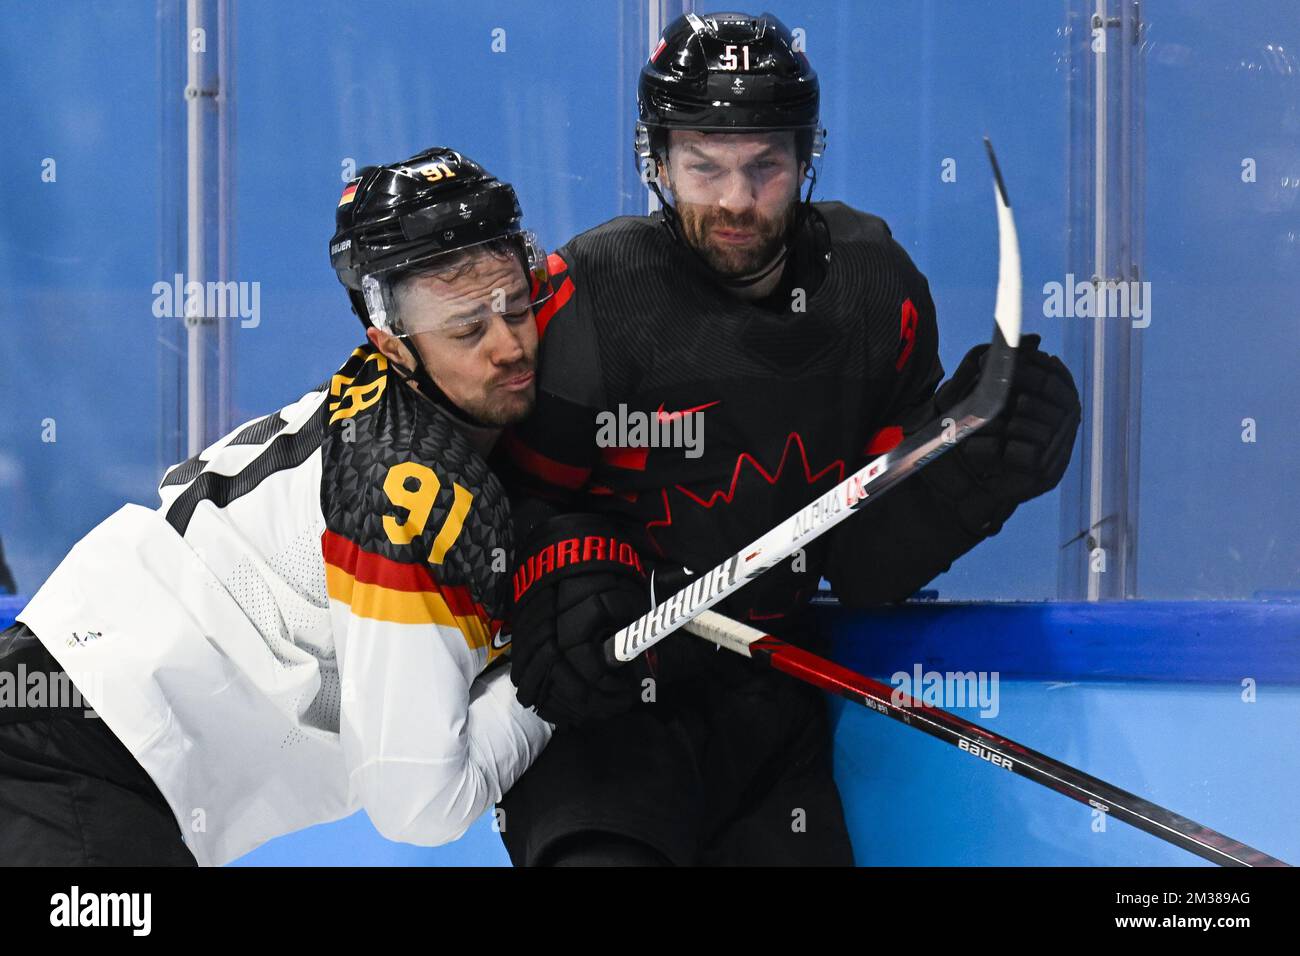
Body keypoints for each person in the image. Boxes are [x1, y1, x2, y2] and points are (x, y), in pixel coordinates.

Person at [495, 12, 1081, 866]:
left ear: (808, 156)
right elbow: (511, 498)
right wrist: (559, 575)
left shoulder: (876, 287)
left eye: (765, 165)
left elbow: (870, 563)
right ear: (654, 159)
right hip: (607, 721)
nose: (736, 199)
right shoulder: (590, 295)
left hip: (770, 708)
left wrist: (977, 470)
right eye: (704, 166)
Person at [0, 147, 552, 865]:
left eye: (516, 305)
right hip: (75, 756)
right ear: (390, 340)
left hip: (62, 715)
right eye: (467, 329)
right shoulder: (401, 490)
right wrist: (544, 681)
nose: (510, 345)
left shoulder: (402, 405)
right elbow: (421, 805)